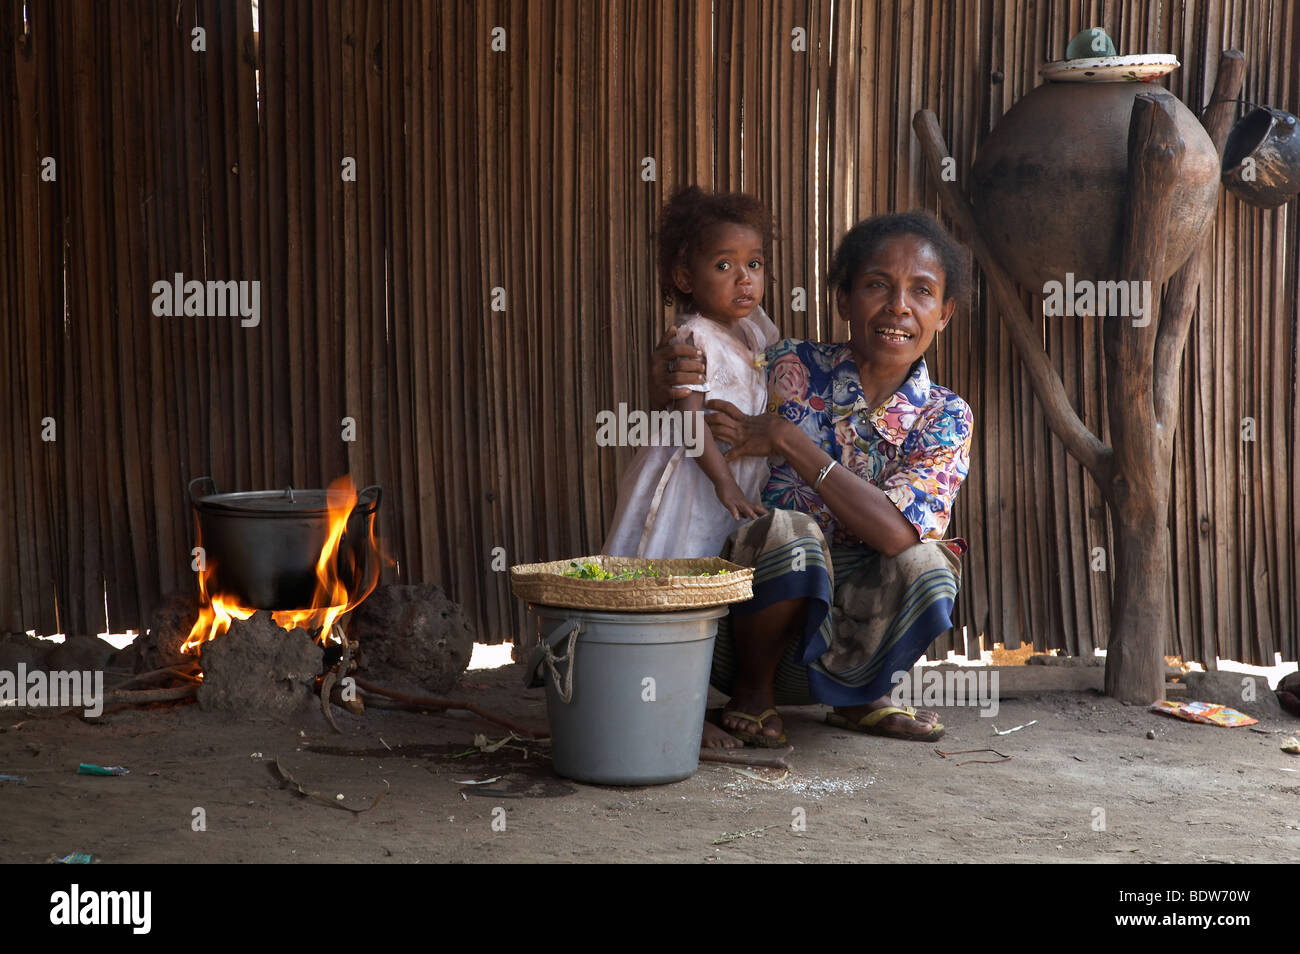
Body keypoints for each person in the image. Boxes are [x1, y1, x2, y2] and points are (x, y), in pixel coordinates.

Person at [652, 212, 974, 749]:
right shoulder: (786, 367)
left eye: (921, 292)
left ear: (944, 314)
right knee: (789, 533)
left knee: (930, 564)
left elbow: (898, 534)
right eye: (877, 285)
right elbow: (700, 398)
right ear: (843, 300)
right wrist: (666, 380)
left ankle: (860, 695)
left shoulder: (945, 416)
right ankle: (754, 694)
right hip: (748, 622)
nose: (898, 306)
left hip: (855, 631)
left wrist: (787, 439)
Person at [603, 187, 779, 560]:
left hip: (731, 475)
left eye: (755, 264)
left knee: (717, 567)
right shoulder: (693, 337)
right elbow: (689, 420)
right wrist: (724, 483)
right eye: (724, 266)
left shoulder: (753, 330)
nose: (744, 278)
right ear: (685, 278)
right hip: (693, 477)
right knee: (677, 559)